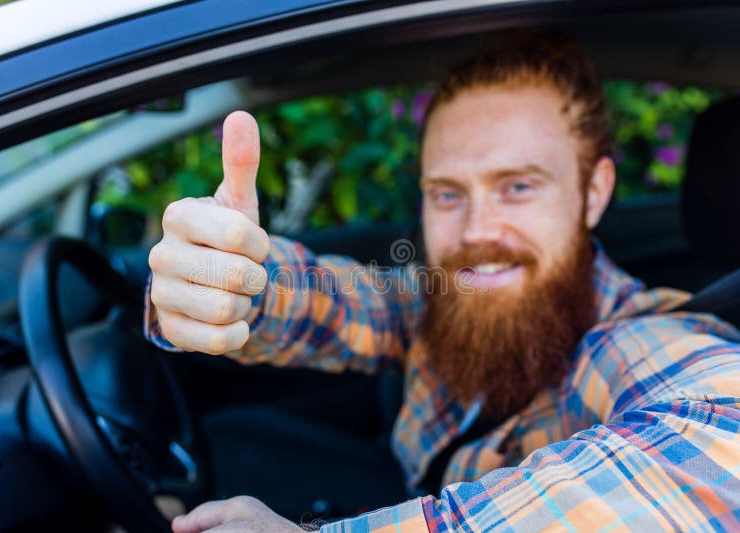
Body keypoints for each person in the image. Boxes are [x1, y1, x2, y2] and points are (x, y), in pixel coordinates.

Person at [145, 32, 740, 532]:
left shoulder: (640, 335)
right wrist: (231, 281)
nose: (477, 230)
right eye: (447, 194)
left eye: (518, 187)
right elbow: (330, 299)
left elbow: (722, 446)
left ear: (594, 192)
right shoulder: (440, 296)